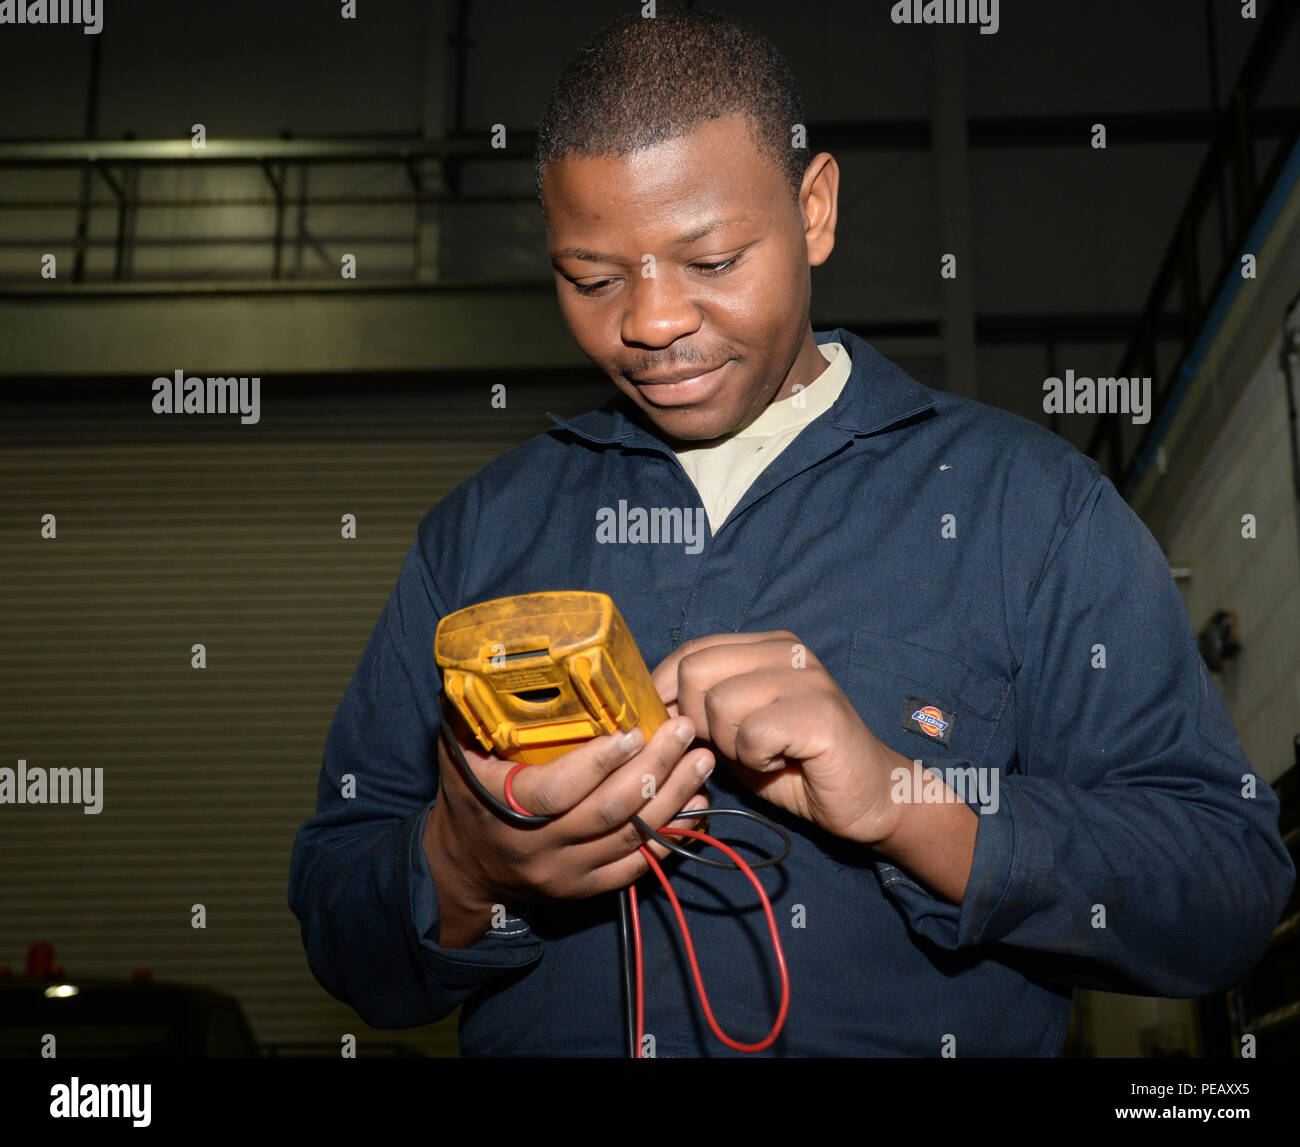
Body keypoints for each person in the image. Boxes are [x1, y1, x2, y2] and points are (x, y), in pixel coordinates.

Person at [288, 8, 1295, 1057]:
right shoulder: (477, 537)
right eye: (591, 278)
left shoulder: (1029, 508)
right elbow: (337, 923)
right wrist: (464, 867)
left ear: (814, 210)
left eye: (712, 261)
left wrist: (916, 811)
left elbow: (1225, 890)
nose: (652, 322)